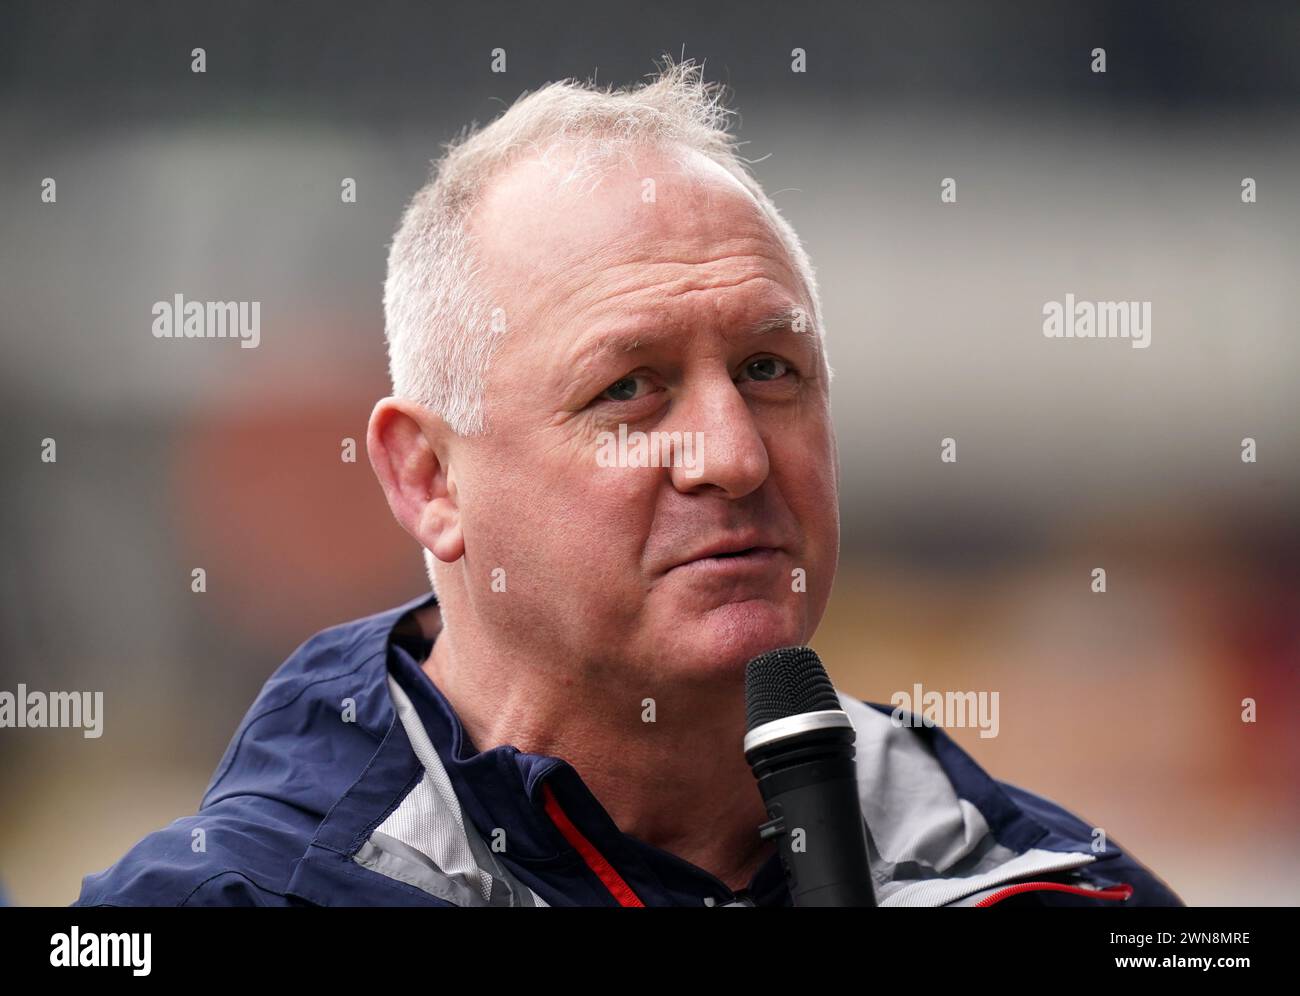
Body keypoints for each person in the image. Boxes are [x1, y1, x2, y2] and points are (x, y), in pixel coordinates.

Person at [74, 59, 1183, 907]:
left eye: (767, 370)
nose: (735, 455)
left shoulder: (1042, 886)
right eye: (629, 389)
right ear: (427, 479)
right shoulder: (254, 895)